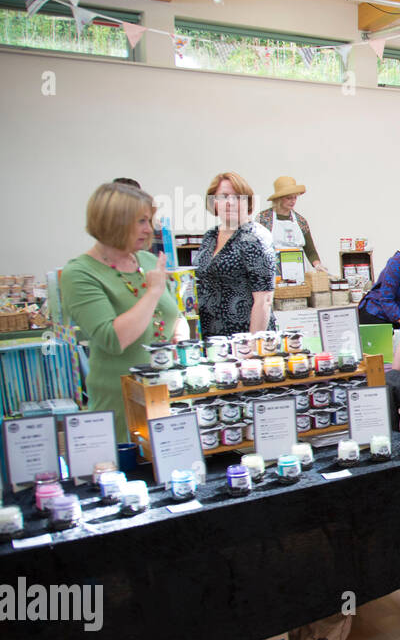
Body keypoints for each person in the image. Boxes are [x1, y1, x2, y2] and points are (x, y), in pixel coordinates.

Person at [60, 182, 186, 443]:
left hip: (168, 395)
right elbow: (113, 339)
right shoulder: (80, 273)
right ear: (114, 221)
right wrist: (152, 292)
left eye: (149, 220)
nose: (148, 229)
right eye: (141, 221)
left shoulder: (147, 261)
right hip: (120, 405)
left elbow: (170, 314)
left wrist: (180, 328)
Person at [194, 171, 276, 337]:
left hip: (244, 340)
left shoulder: (254, 237)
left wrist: (253, 345)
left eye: (238, 197)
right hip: (213, 339)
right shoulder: (210, 236)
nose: (230, 202)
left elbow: (264, 301)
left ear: (248, 202)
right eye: (224, 196)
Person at [254, 176, 325, 272]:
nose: (293, 201)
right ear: (278, 199)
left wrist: (317, 265)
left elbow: (310, 249)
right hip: (273, 270)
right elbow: (255, 247)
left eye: (295, 197)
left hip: (297, 270)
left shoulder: (301, 221)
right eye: (289, 198)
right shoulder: (264, 218)